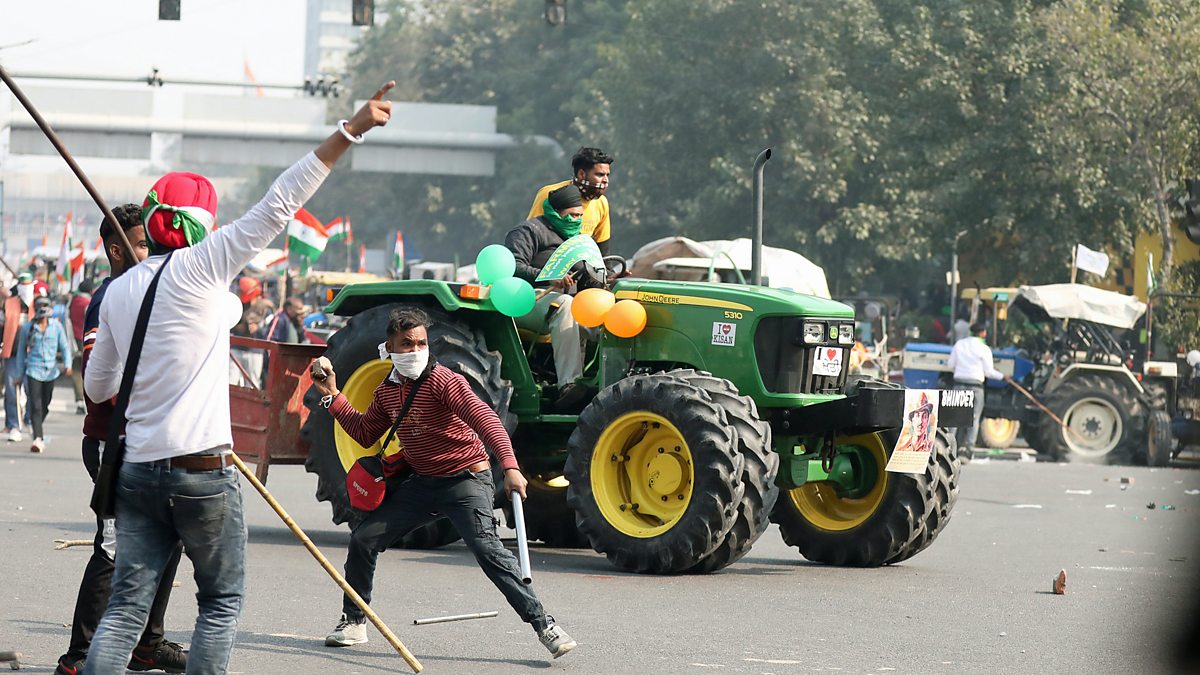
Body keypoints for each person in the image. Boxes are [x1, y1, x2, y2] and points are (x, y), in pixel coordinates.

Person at [83, 82, 396, 675]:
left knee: (124, 611)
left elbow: (98, 390)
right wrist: (350, 130)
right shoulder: (206, 266)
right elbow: (280, 202)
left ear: (150, 220)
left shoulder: (119, 292)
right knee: (220, 603)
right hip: (201, 473)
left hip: (137, 472)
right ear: (202, 224)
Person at [311, 307, 577, 659]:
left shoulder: (444, 381)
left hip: (466, 480)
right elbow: (364, 432)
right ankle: (354, 622)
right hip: (424, 484)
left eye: (421, 343)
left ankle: (545, 625)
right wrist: (332, 395)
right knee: (363, 538)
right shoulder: (387, 391)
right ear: (389, 348)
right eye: (407, 344)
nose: (415, 351)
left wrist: (510, 467)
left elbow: (487, 421)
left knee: (487, 551)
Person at [56, 203, 186, 675]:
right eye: (141, 244)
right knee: (114, 547)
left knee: (170, 537)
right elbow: (101, 379)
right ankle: (78, 657)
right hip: (113, 443)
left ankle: (146, 644)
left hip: (150, 441)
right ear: (116, 250)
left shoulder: (146, 292)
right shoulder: (110, 297)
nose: (150, 252)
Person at [507, 184, 597, 409]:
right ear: (556, 212)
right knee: (565, 304)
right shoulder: (529, 231)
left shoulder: (578, 242)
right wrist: (548, 277)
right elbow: (513, 266)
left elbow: (589, 277)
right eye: (572, 215)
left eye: (580, 216)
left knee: (604, 316)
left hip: (566, 303)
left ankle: (609, 382)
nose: (576, 220)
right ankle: (569, 384)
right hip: (527, 299)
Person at [528, 146, 614, 256]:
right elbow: (531, 234)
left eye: (607, 175)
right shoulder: (550, 194)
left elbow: (603, 250)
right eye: (600, 175)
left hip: (579, 262)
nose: (606, 180)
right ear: (581, 174)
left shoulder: (602, 203)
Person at [17, 295, 71, 452]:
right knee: (36, 405)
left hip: (50, 372)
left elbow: (64, 347)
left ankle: (35, 424)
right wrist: (19, 374)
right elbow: (21, 352)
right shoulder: (28, 328)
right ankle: (38, 439)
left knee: (45, 405)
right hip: (33, 370)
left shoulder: (56, 327)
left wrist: (67, 364)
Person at [947, 321, 1004, 460]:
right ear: (983, 333)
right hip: (976, 387)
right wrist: (1003, 377)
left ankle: (948, 447)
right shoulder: (984, 349)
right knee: (974, 417)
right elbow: (989, 372)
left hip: (959, 384)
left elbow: (950, 365)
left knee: (954, 417)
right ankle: (969, 448)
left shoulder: (959, 344)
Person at [1, 273, 45, 441]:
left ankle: (28, 419)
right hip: (12, 352)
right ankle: (13, 424)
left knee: (32, 389)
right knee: (12, 390)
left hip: (33, 354)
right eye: (23, 285)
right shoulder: (9, 303)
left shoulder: (39, 303)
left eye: (28, 285)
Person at [70, 280, 95, 414]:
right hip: (88, 340)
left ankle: (79, 401)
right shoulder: (89, 304)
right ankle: (89, 400)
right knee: (89, 370)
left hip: (74, 339)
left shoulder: (72, 303)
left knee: (76, 370)